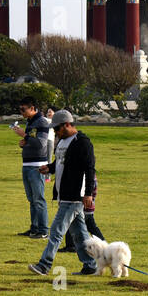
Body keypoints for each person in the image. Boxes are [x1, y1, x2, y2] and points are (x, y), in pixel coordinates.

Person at [28, 111, 98, 276]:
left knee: (56, 231)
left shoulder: (82, 143)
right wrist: (50, 168)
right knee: (80, 235)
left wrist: (88, 194)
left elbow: (89, 169)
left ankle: (44, 265)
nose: (56, 132)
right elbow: (60, 162)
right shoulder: (62, 142)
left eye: (57, 129)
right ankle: (90, 265)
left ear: (67, 124)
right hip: (63, 194)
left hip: (74, 196)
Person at [15, 97, 52, 238]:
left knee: (39, 199)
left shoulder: (41, 122)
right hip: (27, 165)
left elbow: (41, 144)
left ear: (32, 108)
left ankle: (43, 231)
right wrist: (23, 143)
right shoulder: (30, 122)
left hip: (36, 166)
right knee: (32, 200)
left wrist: (24, 135)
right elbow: (32, 141)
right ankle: (34, 228)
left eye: (23, 109)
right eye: (20, 109)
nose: (21, 112)